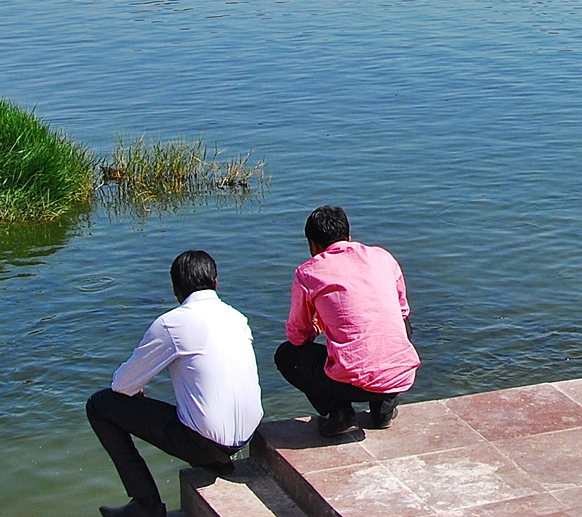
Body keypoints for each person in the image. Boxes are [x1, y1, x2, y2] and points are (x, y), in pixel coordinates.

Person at [87, 250, 263, 517]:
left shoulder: (172, 323)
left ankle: (146, 505)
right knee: (201, 402)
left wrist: (134, 391)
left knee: (100, 405)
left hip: (205, 441)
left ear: (175, 290)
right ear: (216, 282)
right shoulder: (238, 318)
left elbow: (122, 385)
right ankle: (219, 462)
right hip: (246, 435)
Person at [275, 205, 420, 438]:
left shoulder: (309, 273)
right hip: (399, 378)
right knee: (402, 326)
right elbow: (402, 310)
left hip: (348, 383)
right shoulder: (384, 258)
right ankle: (383, 408)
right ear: (349, 238)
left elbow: (298, 336)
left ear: (313, 245)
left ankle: (340, 412)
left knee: (286, 355)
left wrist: (318, 326)